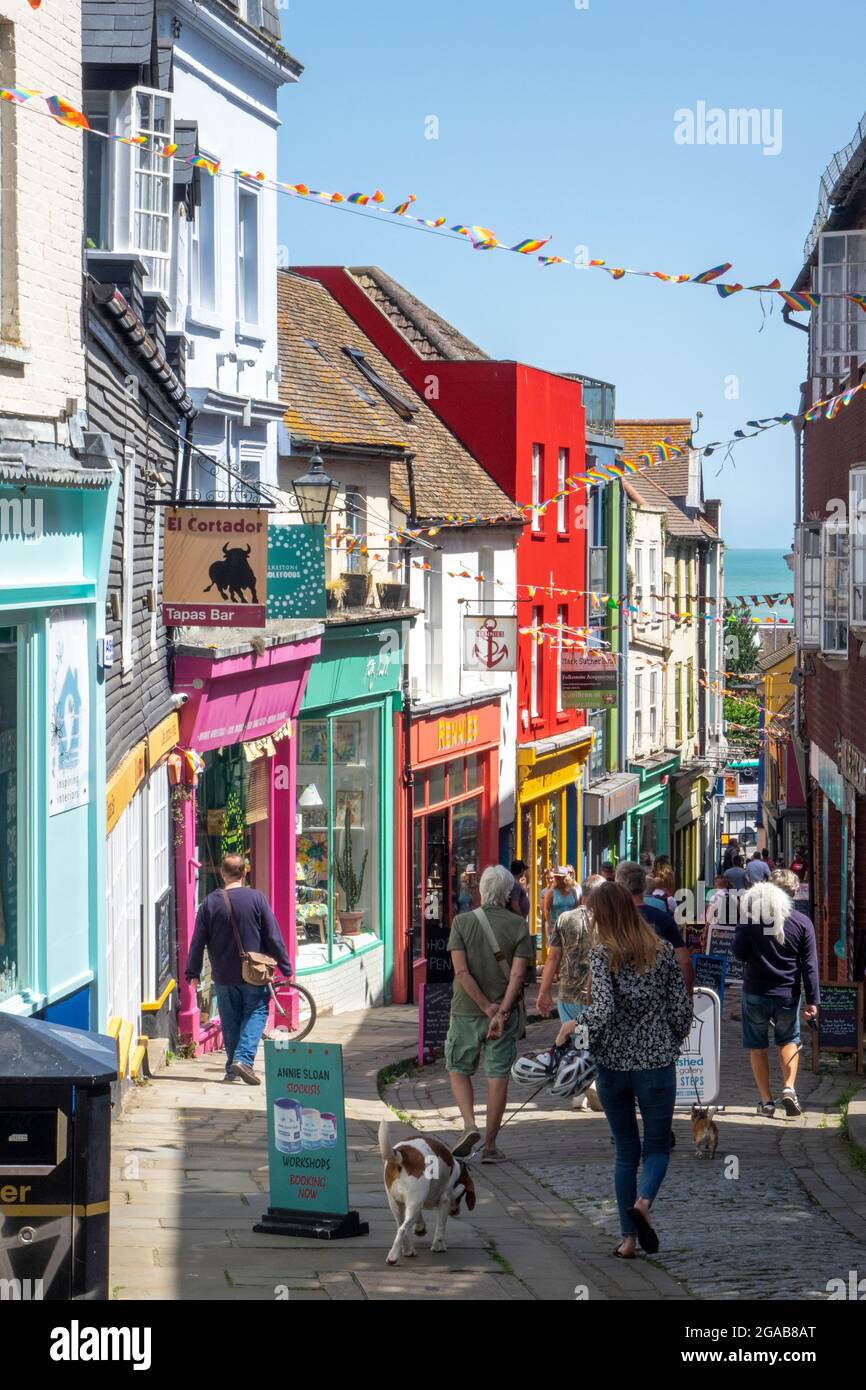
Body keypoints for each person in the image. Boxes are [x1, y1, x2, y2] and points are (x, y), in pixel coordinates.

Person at [556, 881, 692, 1259]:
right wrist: (669, 1042)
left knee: (625, 1153)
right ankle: (644, 1202)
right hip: (655, 1064)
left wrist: (574, 1027)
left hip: (613, 1066)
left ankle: (628, 1240)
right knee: (658, 1147)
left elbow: (601, 1013)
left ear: (604, 916)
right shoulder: (662, 952)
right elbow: (681, 1010)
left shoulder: (603, 955)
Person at [446, 864, 532, 1163]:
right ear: (509, 893)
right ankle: (491, 1147)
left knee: (458, 1068)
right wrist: (500, 1012)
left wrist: (484, 1007)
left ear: (482, 890)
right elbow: (518, 977)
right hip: (504, 1018)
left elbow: (460, 971)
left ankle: (470, 1125)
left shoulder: (462, 922)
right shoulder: (519, 925)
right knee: (497, 1076)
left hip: (466, 1010)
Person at [185, 853, 291, 1085]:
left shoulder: (209, 903)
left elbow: (197, 940)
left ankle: (232, 1070)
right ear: (244, 873)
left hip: (223, 974)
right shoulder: (257, 899)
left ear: (223, 874)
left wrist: (192, 972)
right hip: (254, 973)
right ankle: (242, 1059)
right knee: (257, 1012)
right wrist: (285, 966)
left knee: (230, 1020)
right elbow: (273, 936)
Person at [734, 868, 820, 1118]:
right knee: (789, 1039)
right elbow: (810, 965)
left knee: (757, 1046)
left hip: (755, 992)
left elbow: (738, 953)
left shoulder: (752, 917)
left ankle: (766, 1101)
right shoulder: (803, 922)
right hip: (787, 993)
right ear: (793, 894)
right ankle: (789, 1087)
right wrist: (813, 1000)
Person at [537, 874, 605, 1111]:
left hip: (569, 993)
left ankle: (581, 1086)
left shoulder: (565, 919)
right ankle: (591, 1083)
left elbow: (553, 957)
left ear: (582, 894)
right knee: (593, 1039)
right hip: (598, 993)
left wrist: (544, 992)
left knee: (579, 1039)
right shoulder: (607, 920)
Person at [615, 860, 694, 988]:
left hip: (619, 999)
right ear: (643, 885)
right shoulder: (663, 919)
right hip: (656, 996)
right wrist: (687, 997)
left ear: (618, 885)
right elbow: (684, 962)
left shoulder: (611, 919)